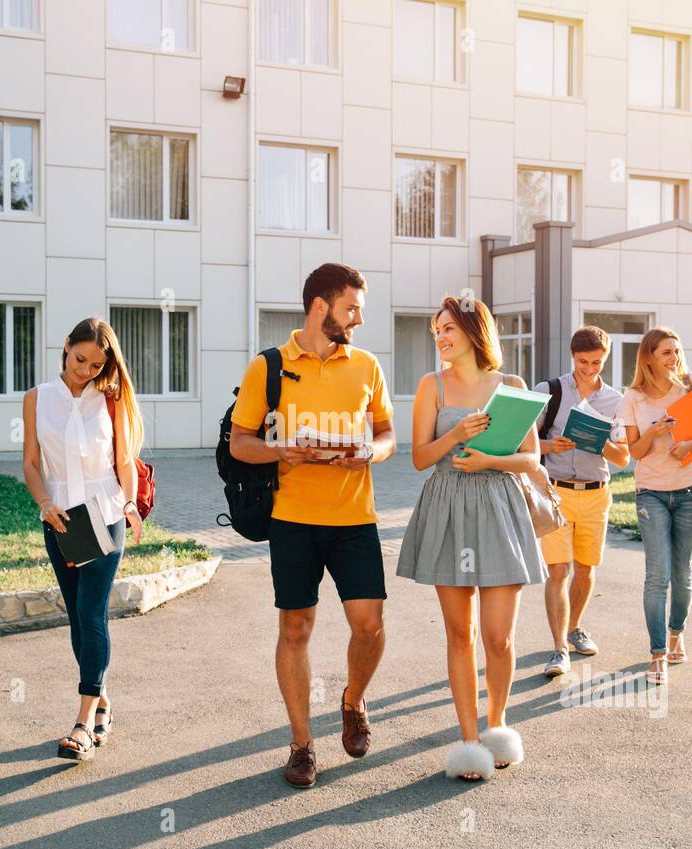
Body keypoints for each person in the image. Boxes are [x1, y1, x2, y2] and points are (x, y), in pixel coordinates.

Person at [228, 263, 397, 788]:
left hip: (355, 520)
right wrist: (284, 451)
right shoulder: (269, 366)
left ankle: (353, 700)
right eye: (352, 308)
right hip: (293, 521)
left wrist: (370, 451)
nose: (358, 319)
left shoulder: (367, 366)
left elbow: (388, 433)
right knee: (295, 629)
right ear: (320, 306)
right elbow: (240, 443)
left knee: (368, 625)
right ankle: (301, 744)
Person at [396, 296, 545, 782]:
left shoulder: (513, 386)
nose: (439, 337)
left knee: (498, 637)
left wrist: (490, 461)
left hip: (501, 507)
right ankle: (466, 739)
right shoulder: (430, 385)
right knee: (460, 634)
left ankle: (498, 727)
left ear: (473, 331)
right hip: (449, 507)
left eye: (447, 329)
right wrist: (457, 432)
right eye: (435, 330)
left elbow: (532, 460)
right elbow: (419, 458)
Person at [22, 317, 146, 761]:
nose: (86, 370)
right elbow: (32, 464)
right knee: (77, 618)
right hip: (59, 520)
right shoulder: (37, 398)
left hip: (105, 514)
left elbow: (125, 462)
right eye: (80, 359)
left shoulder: (110, 401)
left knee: (93, 612)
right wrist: (43, 502)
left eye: (96, 365)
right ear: (66, 346)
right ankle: (104, 703)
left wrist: (129, 504)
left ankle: (82, 723)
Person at [618, 327, 692, 686]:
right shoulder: (632, 396)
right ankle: (657, 653)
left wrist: (691, 444)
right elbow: (634, 452)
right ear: (648, 357)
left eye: (676, 351)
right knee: (656, 575)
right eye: (666, 352)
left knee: (683, 571)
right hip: (652, 493)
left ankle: (677, 633)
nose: (673, 358)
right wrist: (656, 432)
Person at [532, 326, 631, 678]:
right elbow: (519, 440)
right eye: (583, 361)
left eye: (597, 362)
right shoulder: (548, 391)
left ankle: (574, 627)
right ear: (572, 356)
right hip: (555, 492)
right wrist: (549, 446)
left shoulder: (617, 401)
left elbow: (622, 458)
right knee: (559, 570)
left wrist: (597, 441)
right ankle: (559, 648)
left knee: (586, 568)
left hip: (595, 493)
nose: (590, 368)